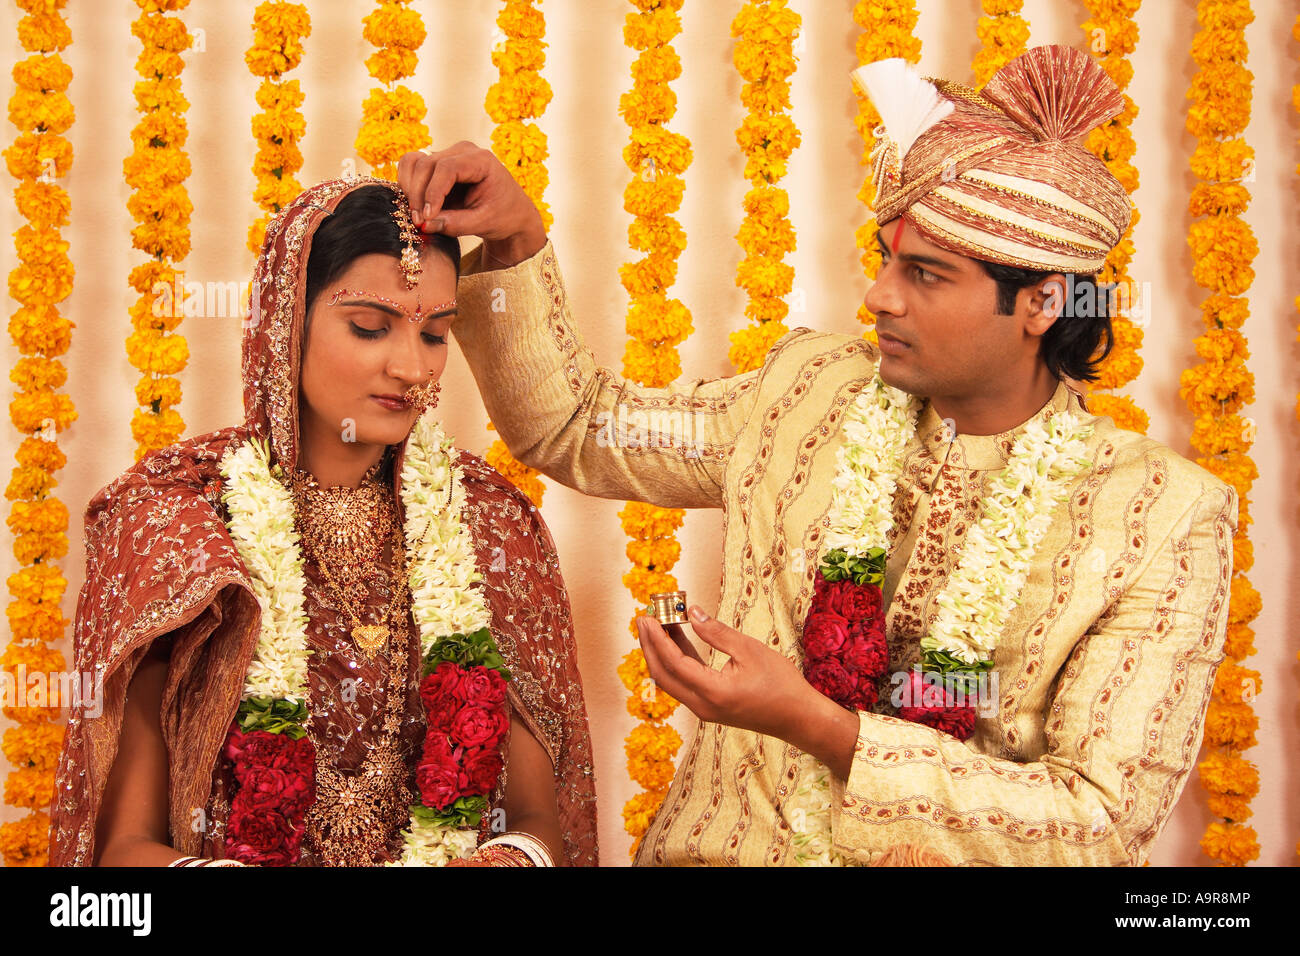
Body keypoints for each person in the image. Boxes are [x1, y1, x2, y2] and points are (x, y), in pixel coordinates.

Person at [397, 44, 1235, 866]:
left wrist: (817, 725)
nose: (879, 296)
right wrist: (512, 243)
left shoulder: (1159, 514)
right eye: (886, 260)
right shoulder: (809, 393)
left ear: (1045, 303)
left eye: (927, 274)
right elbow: (578, 427)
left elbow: (1097, 825)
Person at [48, 178, 598, 867]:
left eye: (434, 333)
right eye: (370, 327)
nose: (412, 367)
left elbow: (541, 820)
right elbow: (125, 848)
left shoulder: (483, 520)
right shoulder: (178, 523)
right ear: (286, 321)